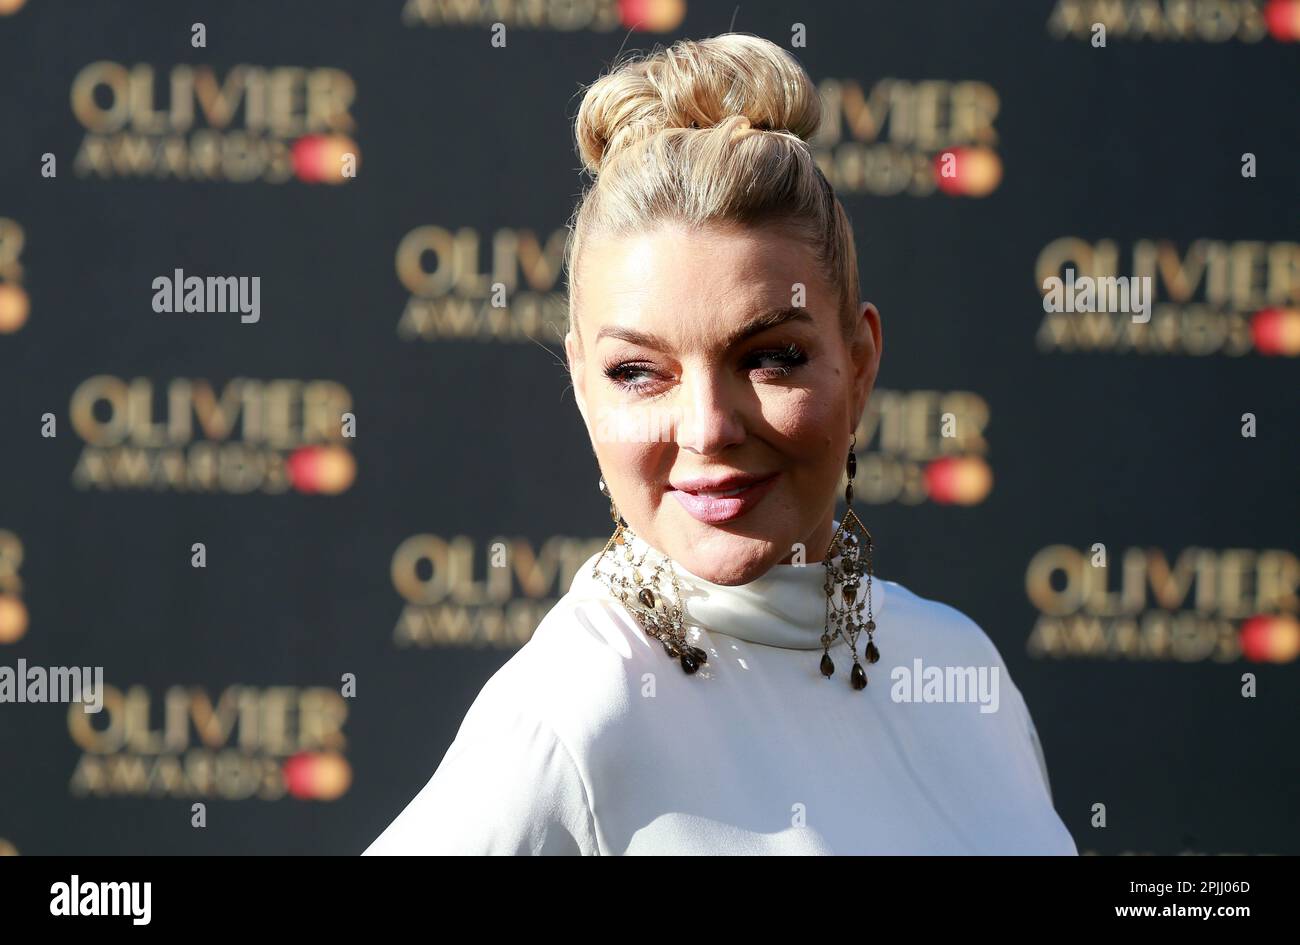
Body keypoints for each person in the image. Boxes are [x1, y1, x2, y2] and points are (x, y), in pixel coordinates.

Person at [365, 32, 1076, 855]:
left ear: (861, 362)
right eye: (639, 371)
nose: (706, 427)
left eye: (770, 357)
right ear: (582, 386)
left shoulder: (962, 668)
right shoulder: (569, 718)